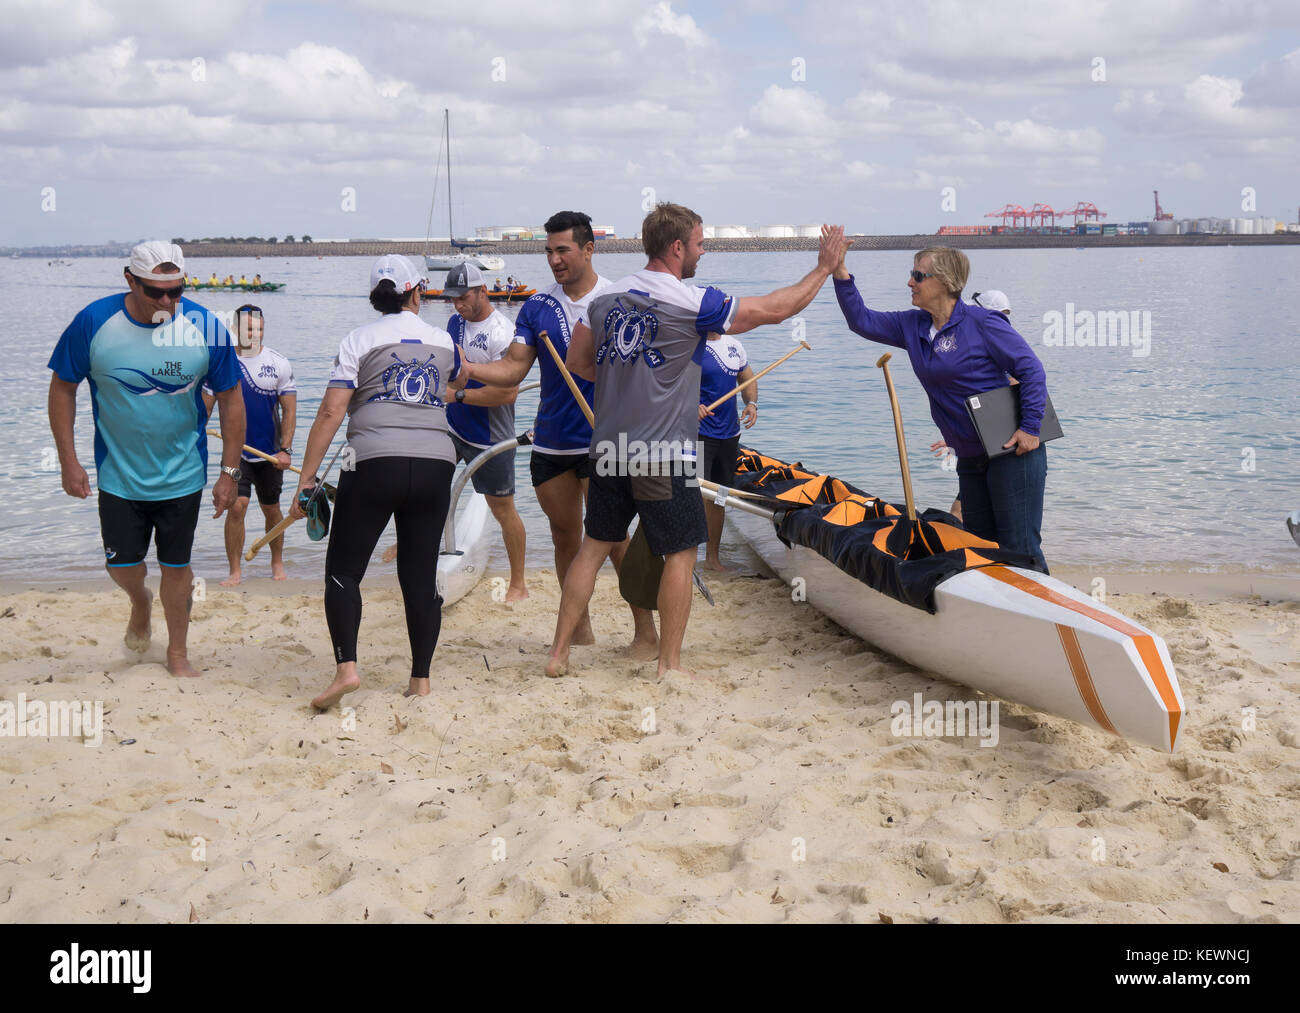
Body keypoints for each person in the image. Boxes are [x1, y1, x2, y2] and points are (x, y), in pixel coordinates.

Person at [546, 204, 849, 679]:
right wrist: (824, 268)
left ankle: (559, 654)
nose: (702, 252)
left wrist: (634, 376)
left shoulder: (603, 300)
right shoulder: (690, 301)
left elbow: (578, 364)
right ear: (677, 246)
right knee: (681, 554)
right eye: (700, 243)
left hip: (607, 446)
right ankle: (669, 664)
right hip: (664, 452)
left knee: (594, 546)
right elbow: (775, 309)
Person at [461, 210, 658, 657]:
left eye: (562, 250)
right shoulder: (536, 307)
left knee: (612, 539)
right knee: (565, 537)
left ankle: (645, 632)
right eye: (548, 251)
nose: (554, 259)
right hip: (551, 442)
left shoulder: (618, 300)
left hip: (602, 441)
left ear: (588, 249)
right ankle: (581, 629)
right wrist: (469, 369)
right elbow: (513, 369)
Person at [47, 240, 245, 677]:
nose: (167, 301)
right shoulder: (94, 322)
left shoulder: (205, 326)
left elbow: (231, 400)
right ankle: (140, 600)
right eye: (155, 291)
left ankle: (177, 654)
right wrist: (68, 460)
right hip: (118, 474)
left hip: (183, 474)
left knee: (177, 566)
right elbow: (63, 387)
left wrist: (229, 473)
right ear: (129, 280)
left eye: (176, 290)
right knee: (123, 566)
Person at [290, 255, 466, 709]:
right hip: (435, 464)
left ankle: (347, 669)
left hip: (372, 463)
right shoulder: (443, 339)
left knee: (345, 571)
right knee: (419, 572)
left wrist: (307, 480)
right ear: (417, 292)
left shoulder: (358, 339)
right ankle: (420, 682)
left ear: (376, 297)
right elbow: (455, 380)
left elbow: (331, 412)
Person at [832, 246, 1050, 571]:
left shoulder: (984, 323)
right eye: (912, 274)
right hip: (971, 456)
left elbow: (1032, 370)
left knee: (1020, 547)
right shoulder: (912, 325)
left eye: (918, 275)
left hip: (1012, 449)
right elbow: (861, 320)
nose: (910, 282)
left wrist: (1031, 428)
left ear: (946, 281)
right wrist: (840, 272)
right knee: (978, 546)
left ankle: (1049, 616)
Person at [441, 263, 529, 601]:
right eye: (452, 299)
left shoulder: (502, 332)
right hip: (452, 428)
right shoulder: (453, 323)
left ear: (482, 291)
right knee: (427, 489)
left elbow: (507, 393)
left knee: (503, 510)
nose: (457, 305)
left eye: (463, 298)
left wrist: (458, 394)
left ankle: (518, 582)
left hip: (492, 437)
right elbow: (452, 373)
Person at [201, 304, 296, 585]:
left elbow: (289, 411)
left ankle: (277, 563)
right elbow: (204, 408)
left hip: (269, 454)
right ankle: (235, 571)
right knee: (237, 506)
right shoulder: (223, 363)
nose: (255, 333)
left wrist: (286, 450)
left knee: (272, 509)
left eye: (259, 328)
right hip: (236, 452)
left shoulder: (279, 363)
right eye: (249, 328)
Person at [931, 289, 1015, 520]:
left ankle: (964, 550)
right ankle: (959, 550)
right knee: (965, 507)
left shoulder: (996, 346)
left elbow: (1014, 394)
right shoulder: (989, 343)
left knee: (966, 508)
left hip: (1001, 447)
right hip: (987, 443)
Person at [697, 332, 757, 570]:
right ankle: (683, 558)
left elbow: (748, 378)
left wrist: (751, 403)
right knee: (696, 494)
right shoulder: (690, 344)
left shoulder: (734, 345)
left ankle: (712, 558)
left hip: (730, 434)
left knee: (720, 497)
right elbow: (669, 382)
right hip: (699, 432)